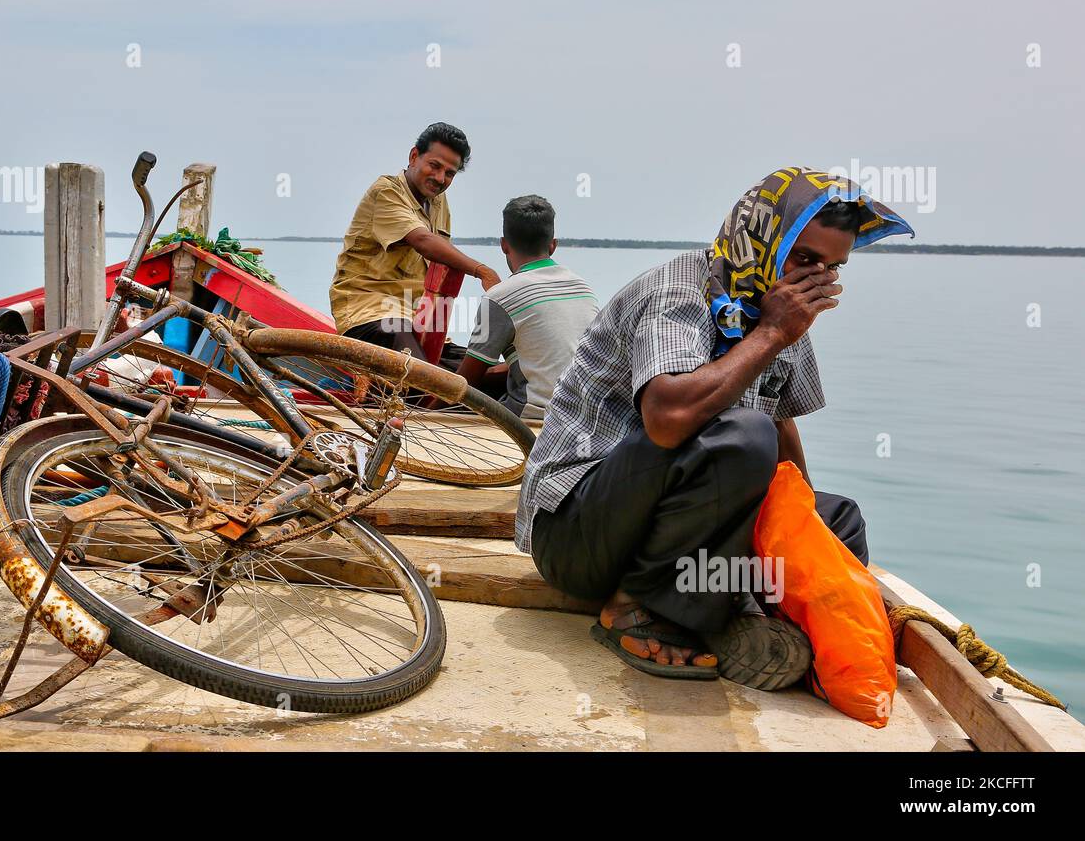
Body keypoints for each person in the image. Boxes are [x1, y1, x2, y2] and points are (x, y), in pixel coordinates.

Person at [515, 166, 915, 690]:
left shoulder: (775, 306)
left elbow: (784, 427)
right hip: (577, 535)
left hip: (666, 535)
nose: (817, 279)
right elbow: (667, 419)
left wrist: (800, 526)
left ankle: (752, 620)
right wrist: (773, 332)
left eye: (833, 267)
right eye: (806, 259)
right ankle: (631, 607)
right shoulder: (680, 291)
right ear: (764, 239)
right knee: (744, 440)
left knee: (838, 520)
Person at [329, 123, 501, 362]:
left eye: (450, 173)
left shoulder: (439, 202)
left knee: (478, 370)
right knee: (416, 370)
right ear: (413, 157)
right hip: (369, 313)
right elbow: (422, 240)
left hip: (417, 319)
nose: (440, 178)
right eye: (434, 166)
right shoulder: (386, 191)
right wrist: (481, 271)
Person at [458, 195, 598, 419]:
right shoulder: (582, 287)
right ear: (553, 245)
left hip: (537, 416)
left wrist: (423, 412)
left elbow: (464, 382)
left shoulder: (500, 297)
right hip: (587, 413)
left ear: (504, 245)